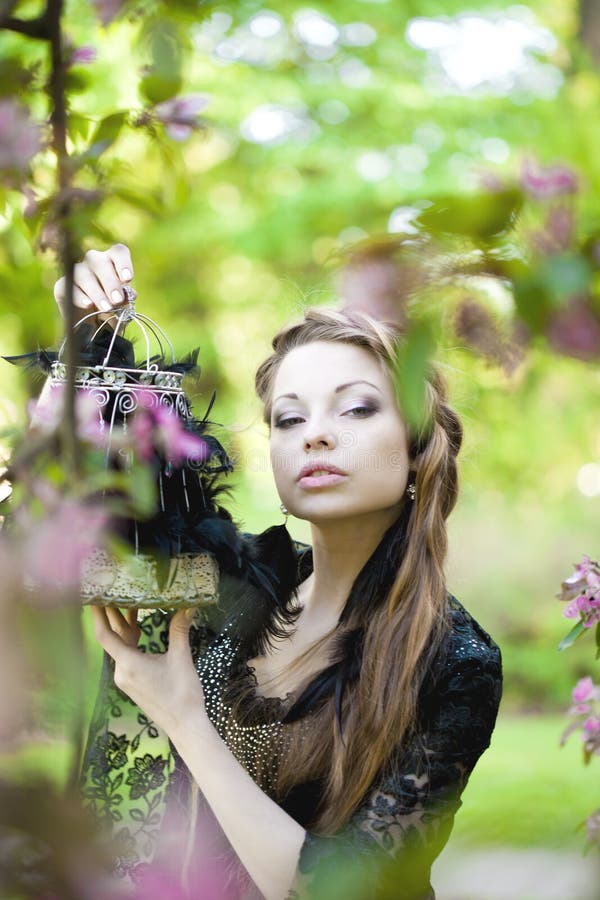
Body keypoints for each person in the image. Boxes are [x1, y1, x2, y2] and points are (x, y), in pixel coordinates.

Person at [53, 245, 502, 900]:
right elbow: (80, 533)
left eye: (355, 408)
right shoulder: (230, 584)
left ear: (416, 450)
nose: (314, 435)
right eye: (289, 418)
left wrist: (185, 718)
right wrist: (93, 344)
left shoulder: (454, 663)